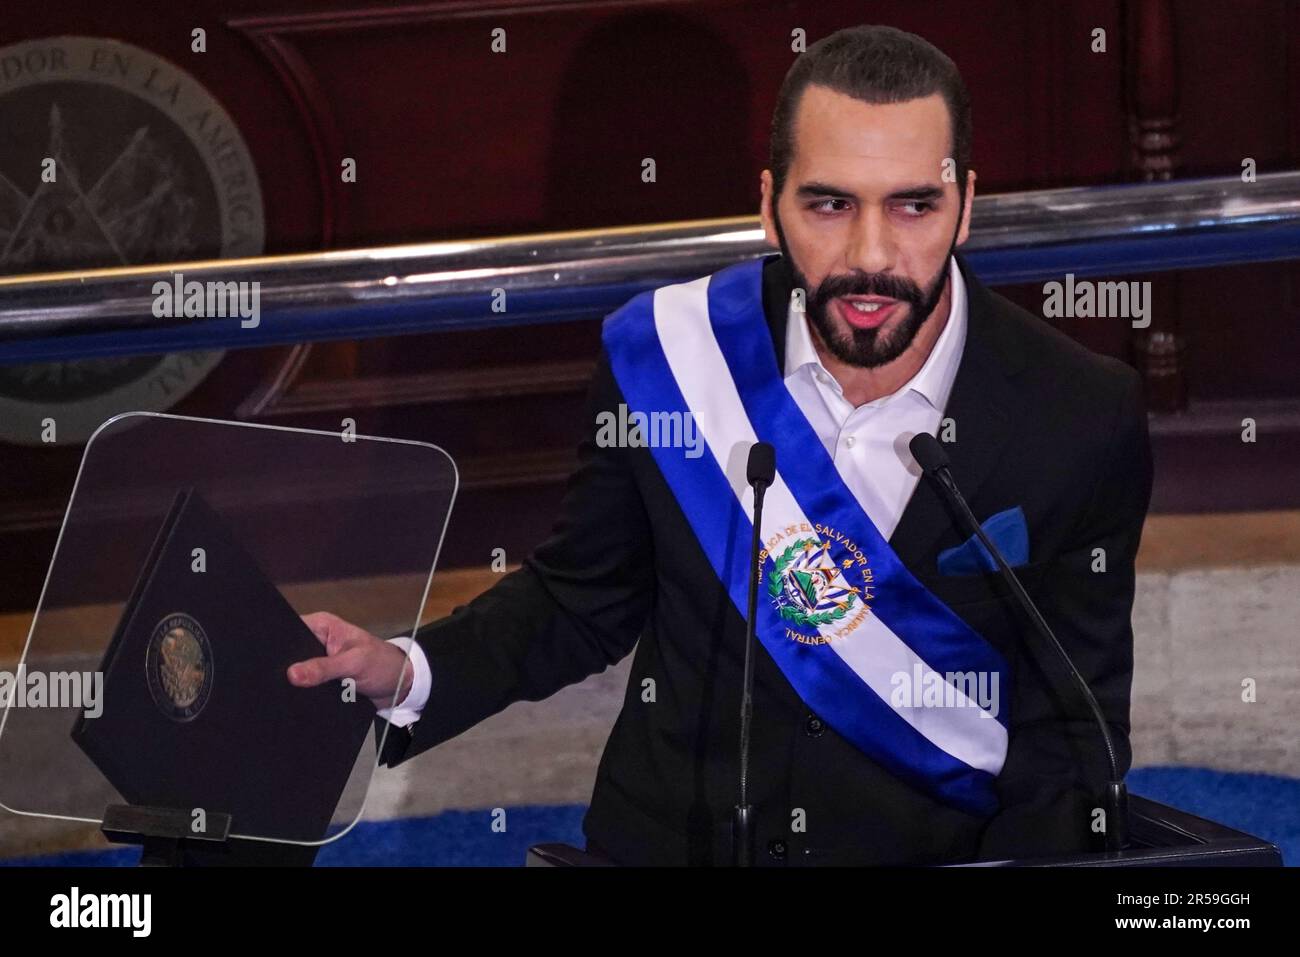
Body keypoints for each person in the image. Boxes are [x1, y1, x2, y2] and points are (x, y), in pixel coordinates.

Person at [287, 23, 1153, 866]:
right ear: (771, 206)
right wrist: (406, 668)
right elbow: (579, 600)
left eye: (914, 205)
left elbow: (1069, 737)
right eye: (830, 204)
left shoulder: (1080, 414)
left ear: (966, 205)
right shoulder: (669, 355)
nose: (871, 254)